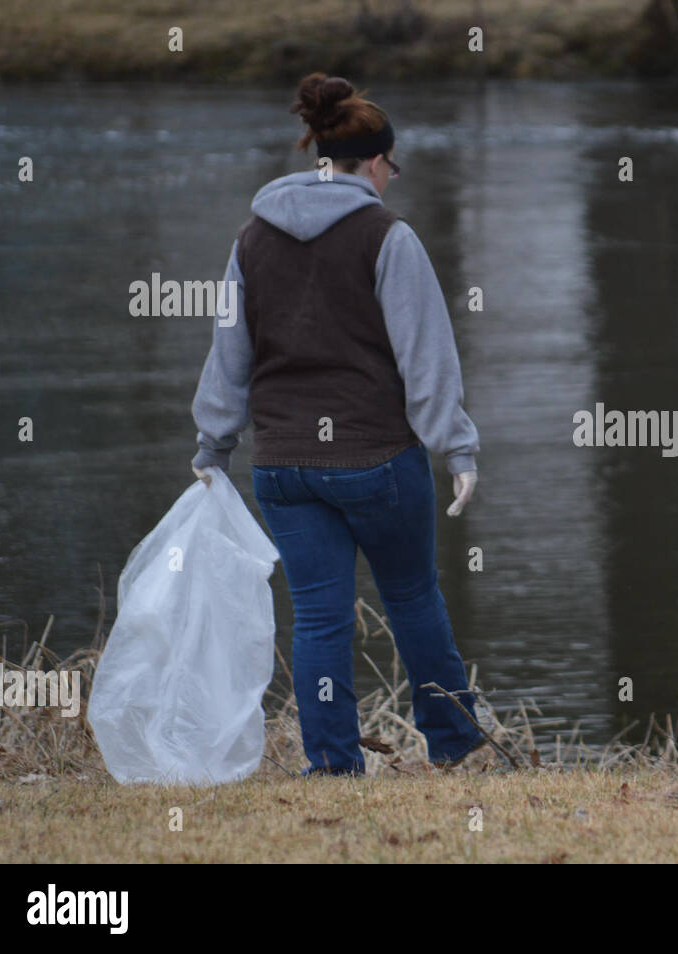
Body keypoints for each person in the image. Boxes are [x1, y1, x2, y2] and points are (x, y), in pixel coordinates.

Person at [189, 72, 488, 775]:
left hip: (283, 466)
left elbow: (227, 353)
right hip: (376, 459)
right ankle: (454, 745)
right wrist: (457, 447)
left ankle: (330, 764)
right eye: (393, 167)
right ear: (377, 163)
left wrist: (213, 446)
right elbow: (427, 358)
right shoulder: (388, 236)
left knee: (320, 617)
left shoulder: (251, 240)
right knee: (413, 598)